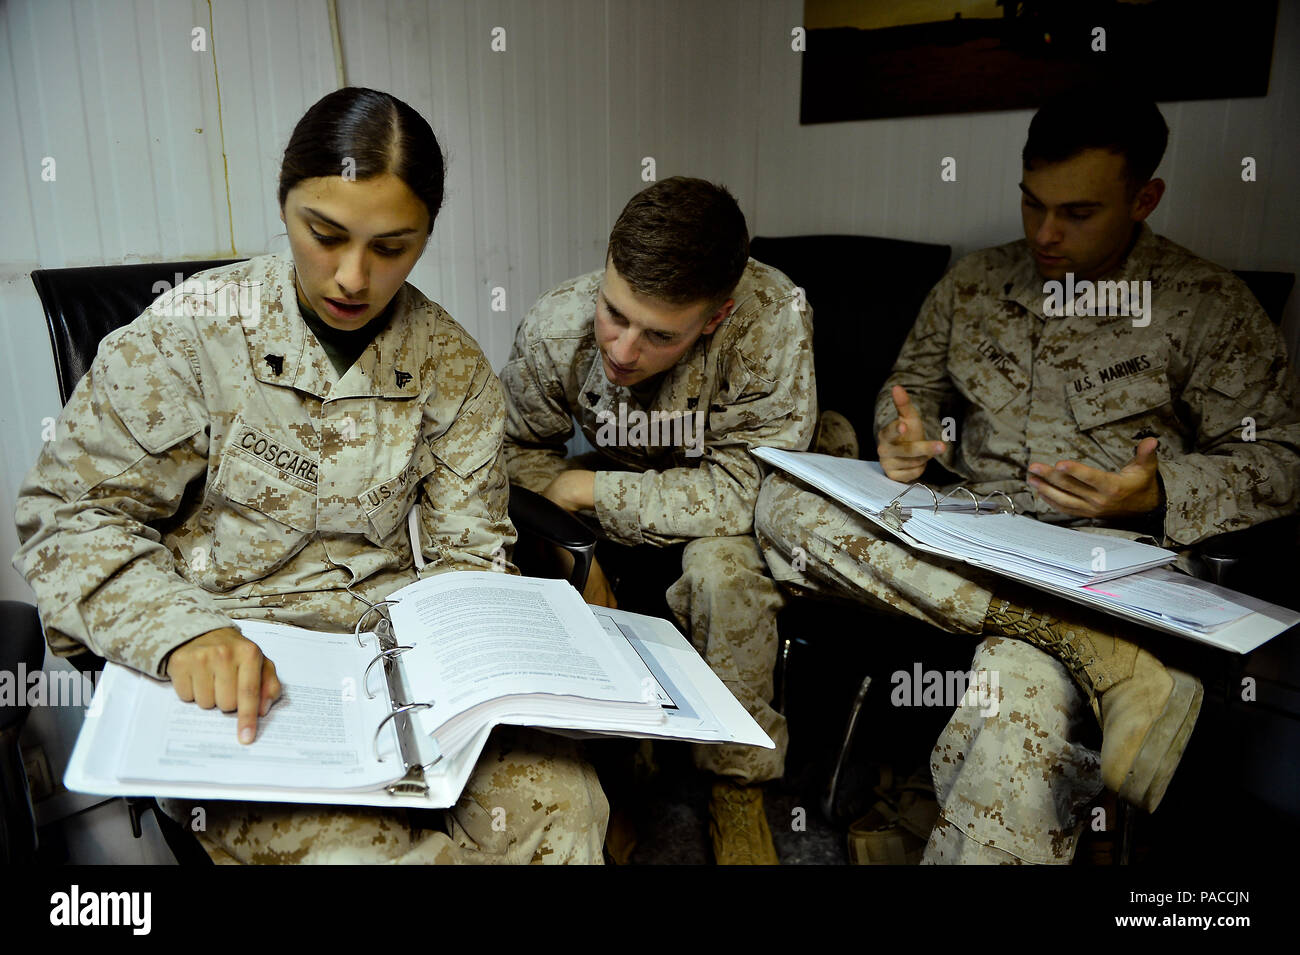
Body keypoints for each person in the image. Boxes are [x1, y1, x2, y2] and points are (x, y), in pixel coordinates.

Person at [13, 87, 608, 864]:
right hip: (240, 664)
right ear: (284, 201)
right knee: (362, 856)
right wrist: (182, 631)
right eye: (324, 234)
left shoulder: (452, 366)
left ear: (427, 234)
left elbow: (469, 558)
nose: (352, 277)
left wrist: (495, 657)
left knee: (565, 802)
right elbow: (66, 519)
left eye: (392, 247)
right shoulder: (187, 334)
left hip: (392, 663)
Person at [754, 87, 1300, 864]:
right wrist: (906, 434)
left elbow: (1282, 459)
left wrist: (1161, 490)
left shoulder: (1207, 307)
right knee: (779, 505)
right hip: (960, 531)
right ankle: (1102, 662)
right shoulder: (975, 285)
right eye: (1032, 202)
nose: (1045, 232)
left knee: (1023, 695)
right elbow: (913, 389)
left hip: (1101, 564)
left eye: (1077, 213)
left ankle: (1041, 686)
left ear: (1145, 198)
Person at [500, 177, 820, 864]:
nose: (620, 349)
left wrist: (591, 491)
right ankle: (611, 758)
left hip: (727, 506)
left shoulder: (772, 322)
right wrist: (574, 543)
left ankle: (735, 786)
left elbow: (749, 490)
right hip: (612, 487)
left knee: (726, 577)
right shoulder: (558, 323)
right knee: (540, 556)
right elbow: (518, 451)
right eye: (613, 313)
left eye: (658, 335)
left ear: (715, 317)